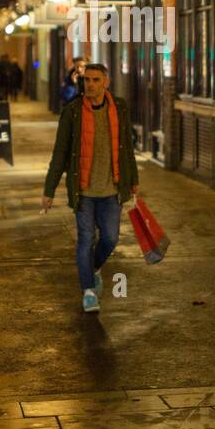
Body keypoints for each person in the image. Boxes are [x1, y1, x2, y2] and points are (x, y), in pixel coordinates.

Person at [41, 63, 139, 313]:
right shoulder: (72, 112)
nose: (90, 85)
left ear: (106, 82)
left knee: (110, 238)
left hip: (111, 189)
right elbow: (60, 153)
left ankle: (92, 268)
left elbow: (127, 148)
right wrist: (49, 190)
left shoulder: (120, 108)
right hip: (83, 191)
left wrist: (133, 180)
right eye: (86, 80)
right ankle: (88, 291)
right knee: (85, 240)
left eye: (95, 80)